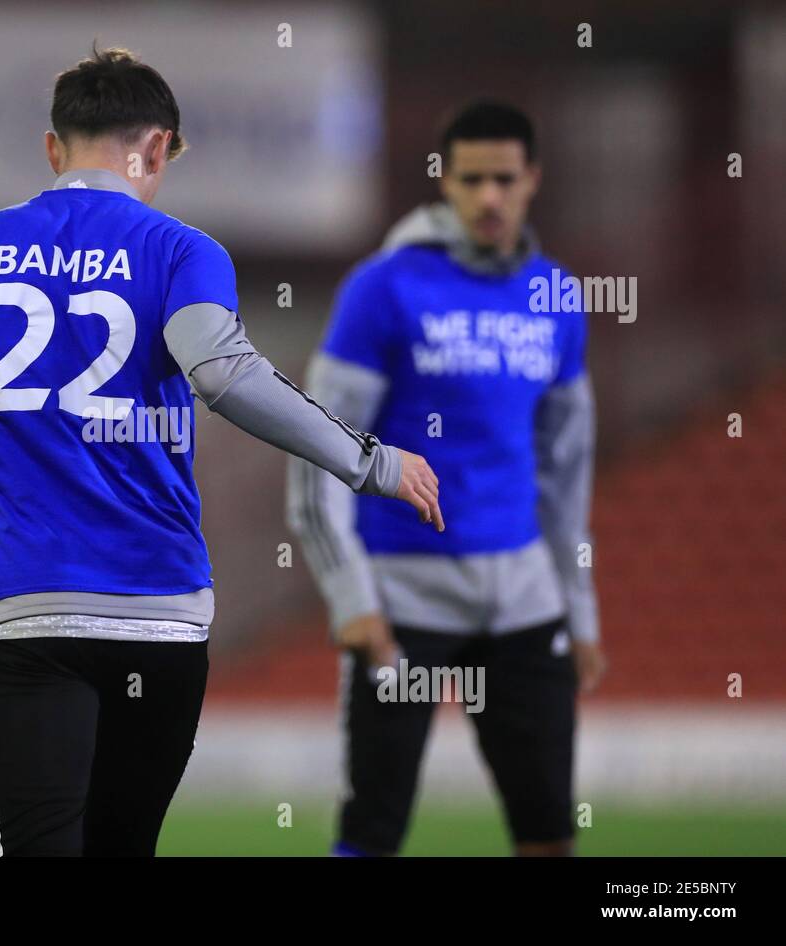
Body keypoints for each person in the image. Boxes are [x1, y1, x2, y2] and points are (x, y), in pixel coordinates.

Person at [0, 47, 441, 857]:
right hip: (158, 620)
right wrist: (371, 461)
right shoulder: (181, 251)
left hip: (21, 613)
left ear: (53, 148)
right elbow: (225, 374)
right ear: (158, 147)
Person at [286, 101, 604, 857]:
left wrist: (580, 611)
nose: (489, 197)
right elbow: (315, 445)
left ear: (532, 180)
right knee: (372, 835)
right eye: (471, 180)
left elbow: (566, 471)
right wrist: (350, 597)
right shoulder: (383, 289)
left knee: (550, 833)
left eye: (504, 178)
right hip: (404, 603)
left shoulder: (557, 296)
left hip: (525, 605)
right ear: (445, 183)